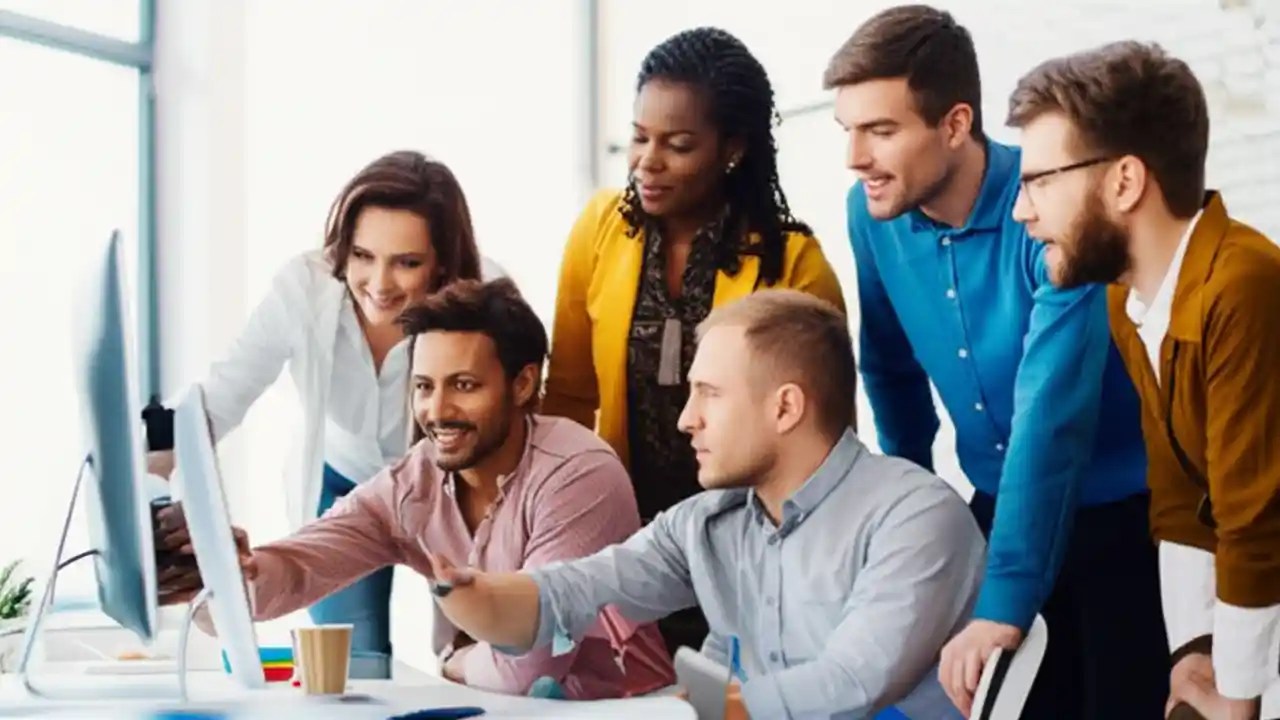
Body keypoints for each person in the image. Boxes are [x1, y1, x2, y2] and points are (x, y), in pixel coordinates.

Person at [823, 6, 1168, 717]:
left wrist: (1003, 603)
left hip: (1128, 518)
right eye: (847, 130)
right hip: (995, 507)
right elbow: (887, 367)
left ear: (955, 124)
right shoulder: (870, 211)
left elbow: (1052, 420)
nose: (855, 157)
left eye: (880, 130)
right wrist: (913, 507)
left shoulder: (1049, 205)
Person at [422, 290, 985, 719]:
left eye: (709, 394)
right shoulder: (709, 522)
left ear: (785, 408)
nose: (686, 419)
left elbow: (851, 684)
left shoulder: (915, 517)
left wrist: (687, 712)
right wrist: (483, 596)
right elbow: (589, 584)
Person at [155, 278, 674, 699]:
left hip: (623, 711)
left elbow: (530, 666)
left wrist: (453, 663)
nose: (437, 411)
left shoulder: (578, 474)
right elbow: (299, 568)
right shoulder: (414, 482)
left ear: (522, 385)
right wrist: (227, 574)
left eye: (464, 386)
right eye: (424, 386)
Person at [541, 26, 846, 657]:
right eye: (639, 138)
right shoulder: (600, 230)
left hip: (748, 553)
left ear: (732, 148)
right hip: (623, 545)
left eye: (678, 145)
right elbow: (567, 396)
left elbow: (821, 441)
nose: (647, 162)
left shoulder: (794, 264)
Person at [1007, 40, 1280, 719]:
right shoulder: (1127, 301)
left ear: (1125, 181)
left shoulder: (1242, 285)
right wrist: (1192, 653)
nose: (1022, 211)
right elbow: (1179, 495)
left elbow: (1255, 520)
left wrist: (1237, 699)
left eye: (1041, 181)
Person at [147, 150, 504, 659]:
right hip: (346, 490)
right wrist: (150, 477)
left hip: (453, 493)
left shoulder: (485, 302)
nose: (379, 284)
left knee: (473, 659)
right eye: (363, 256)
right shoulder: (303, 289)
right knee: (353, 665)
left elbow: (510, 435)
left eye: (406, 263)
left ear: (442, 260)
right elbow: (219, 399)